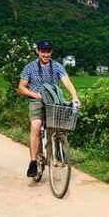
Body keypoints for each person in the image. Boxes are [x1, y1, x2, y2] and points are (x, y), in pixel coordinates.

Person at [17, 40, 79, 177]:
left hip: (53, 101)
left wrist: (74, 96)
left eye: (48, 51)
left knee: (62, 122)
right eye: (43, 51)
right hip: (36, 101)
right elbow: (21, 87)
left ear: (51, 52)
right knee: (35, 126)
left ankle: (59, 149)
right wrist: (34, 94)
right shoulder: (30, 67)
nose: (45, 54)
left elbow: (67, 81)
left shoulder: (57, 66)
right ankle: (33, 161)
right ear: (38, 52)